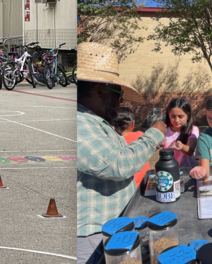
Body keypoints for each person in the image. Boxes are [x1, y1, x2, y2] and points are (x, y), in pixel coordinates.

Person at [76, 42, 168, 264]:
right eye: (118, 93)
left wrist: (141, 148)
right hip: (93, 237)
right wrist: (153, 135)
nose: (122, 101)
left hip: (113, 230)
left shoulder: (97, 123)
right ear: (99, 92)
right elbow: (116, 164)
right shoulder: (80, 123)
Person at [112, 107, 150, 185]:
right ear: (132, 124)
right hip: (144, 182)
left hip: (126, 185)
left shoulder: (111, 141)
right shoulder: (141, 136)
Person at [162, 98, 199, 167]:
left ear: (188, 116)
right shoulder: (164, 131)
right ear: (168, 115)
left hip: (188, 171)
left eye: (180, 116)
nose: (176, 120)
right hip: (169, 169)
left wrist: (181, 147)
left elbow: (190, 151)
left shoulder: (193, 130)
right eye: (173, 116)